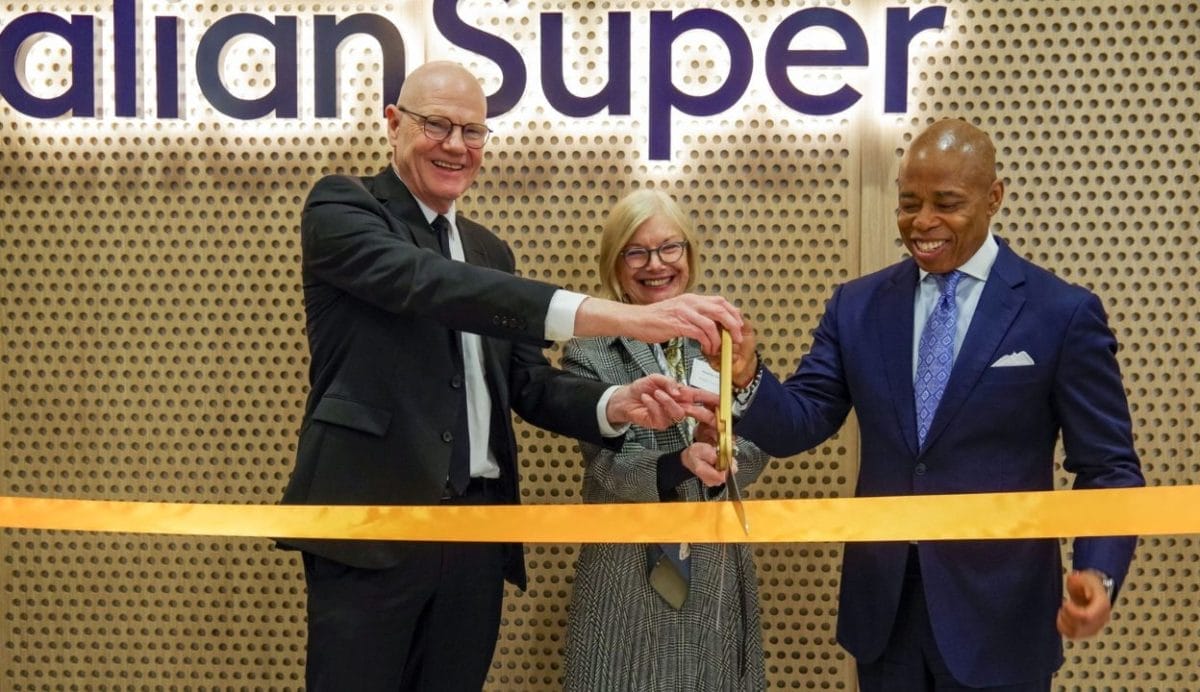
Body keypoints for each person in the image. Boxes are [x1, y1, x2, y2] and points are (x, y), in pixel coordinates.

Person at [276, 61, 744, 691]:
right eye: (436, 125)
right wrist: (628, 319)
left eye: (472, 131)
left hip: (478, 531)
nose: (456, 145)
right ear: (392, 123)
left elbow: (529, 383)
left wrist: (616, 404)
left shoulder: (491, 250)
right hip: (371, 530)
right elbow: (431, 284)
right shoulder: (343, 206)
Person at [730, 119, 1144, 691]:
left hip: (1002, 618)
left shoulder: (1061, 313)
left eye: (946, 203)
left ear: (994, 197)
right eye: (909, 204)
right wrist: (747, 377)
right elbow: (801, 421)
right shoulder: (857, 306)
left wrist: (1099, 571)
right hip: (885, 613)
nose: (922, 222)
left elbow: (1109, 467)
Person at [560, 190, 771, 691]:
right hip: (626, 574)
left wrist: (724, 452)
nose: (656, 265)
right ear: (615, 264)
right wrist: (680, 461)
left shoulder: (724, 336)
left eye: (669, 248)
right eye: (636, 252)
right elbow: (605, 468)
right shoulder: (590, 352)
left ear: (689, 255)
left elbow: (762, 437)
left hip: (715, 570)